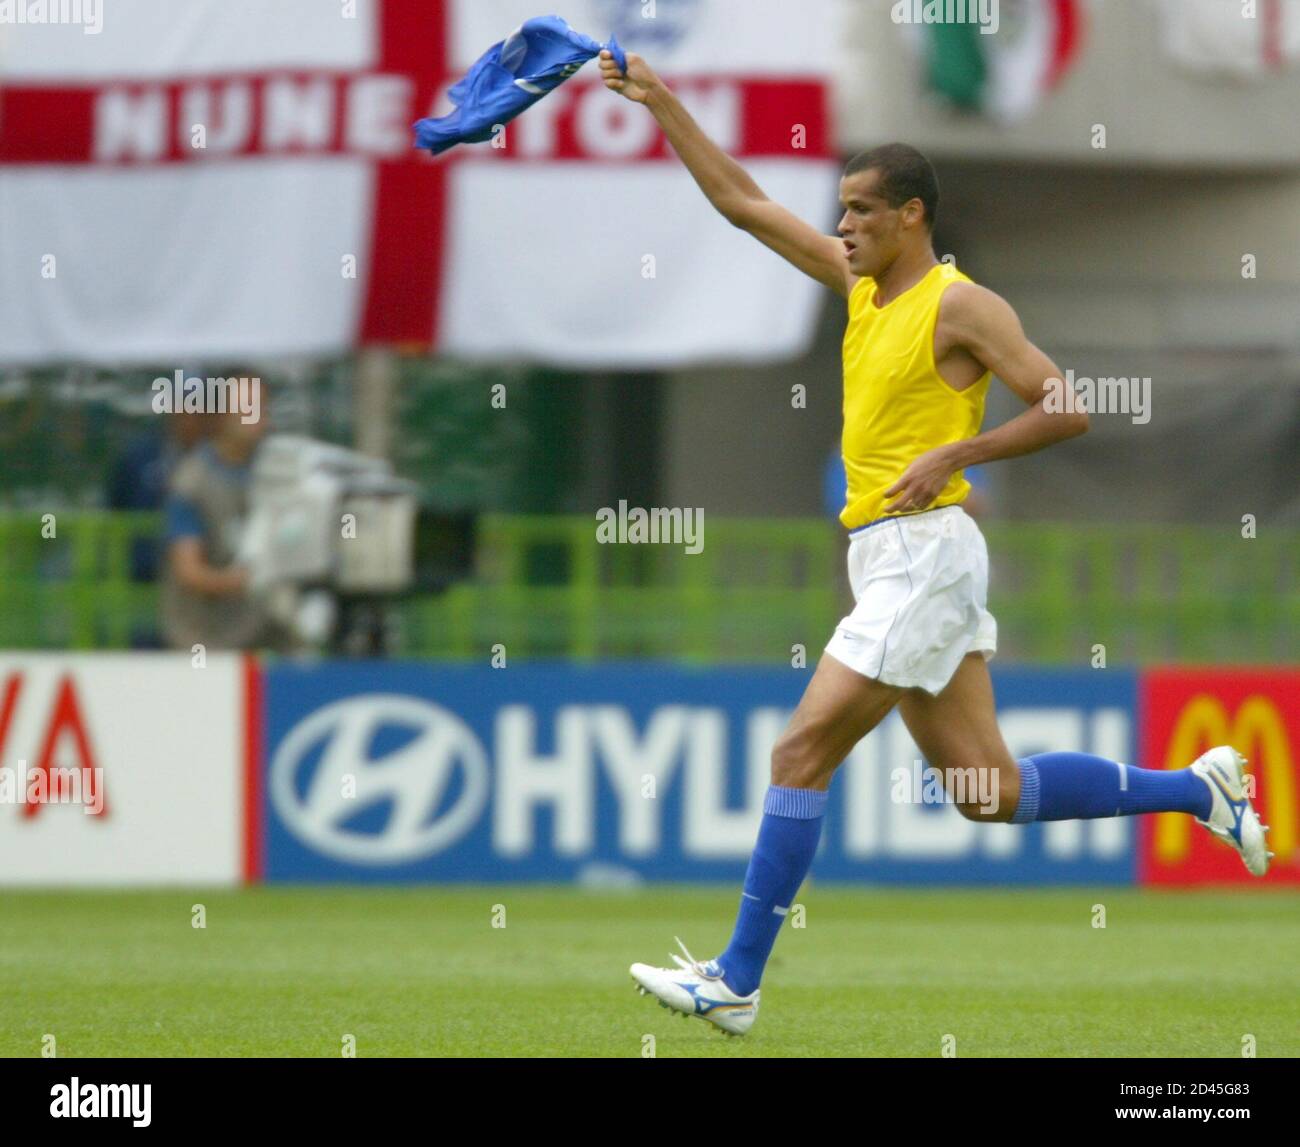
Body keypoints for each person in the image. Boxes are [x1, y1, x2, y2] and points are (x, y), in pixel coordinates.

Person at [599, 50, 1273, 1038]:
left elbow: (1065, 407)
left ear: (910, 214)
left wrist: (959, 445)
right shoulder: (857, 285)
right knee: (985, 790)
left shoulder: (960, 304)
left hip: (925, 552)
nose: (842, 227)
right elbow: (741, 202)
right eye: (840, 211)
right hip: (888, 554)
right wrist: (661, 100)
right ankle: (1197, 787)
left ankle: (737, 978)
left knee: (798, 750)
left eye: (862, 211)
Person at [161, 377, 278, 652]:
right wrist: (246, 580)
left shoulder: (275, 472)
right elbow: (188, 570)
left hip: (261, 635)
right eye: (247, 405)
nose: (257, 415)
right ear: (221, 414)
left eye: (262, 406)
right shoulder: (191, 482)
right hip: (201, 639)